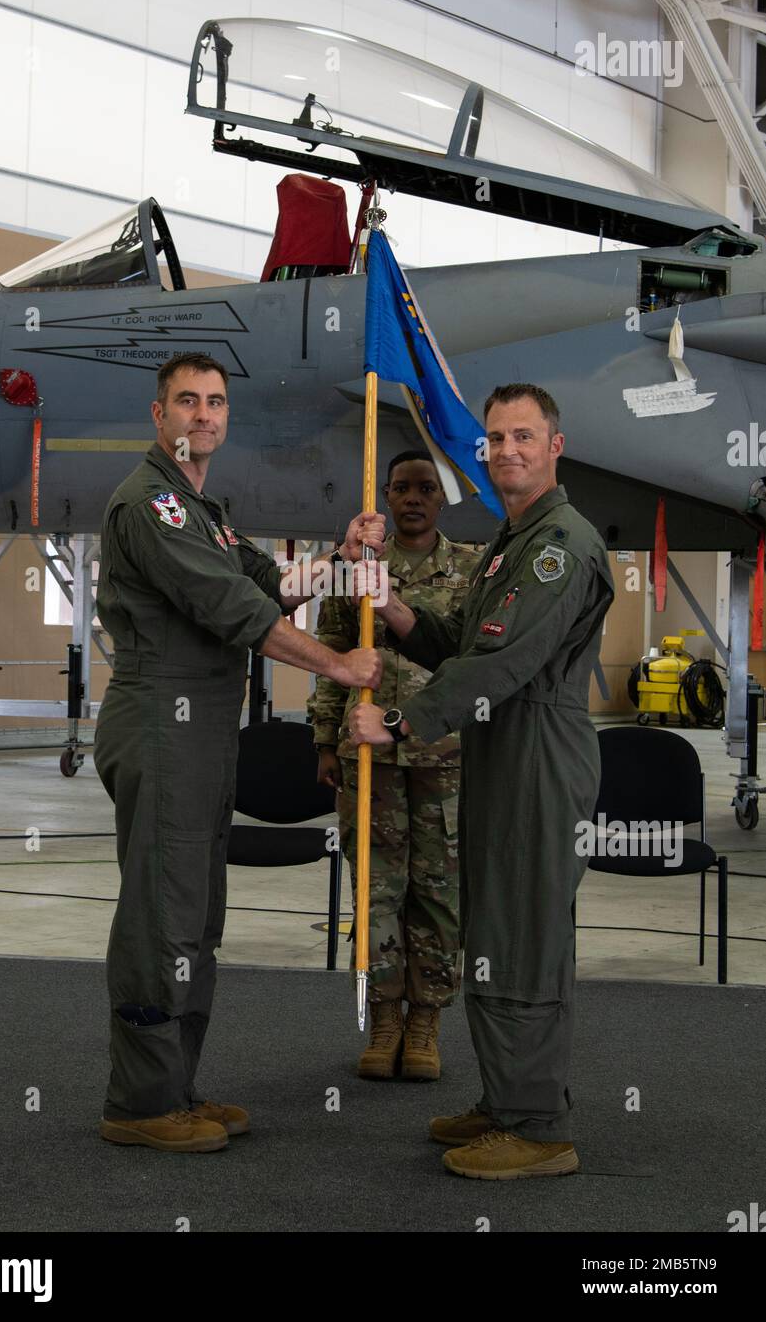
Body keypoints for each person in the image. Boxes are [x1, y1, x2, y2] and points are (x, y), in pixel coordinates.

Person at [94, 351, 383, 1153]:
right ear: (160, 416)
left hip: (202, 730)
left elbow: (269, 583)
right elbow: (235, 610)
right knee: (162, 916)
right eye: (187, 401)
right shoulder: (153, 504)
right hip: (160, 723)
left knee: (194, 918)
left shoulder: (204, 508)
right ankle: (140, 1101)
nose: (203, 415)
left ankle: (175, 1086)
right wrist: (337, 666)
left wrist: (340, 555)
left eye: (216, 402)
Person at [349, 384, 614, 1180]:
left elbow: (502, 662)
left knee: (525, 940)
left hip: (538, 756)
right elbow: (464, 644)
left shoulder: (559, 544)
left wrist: (399, 723)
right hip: (502, 751)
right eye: (495, 439)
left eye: (523, 437)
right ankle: (506, 1101)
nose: (506, 451)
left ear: (555, 446)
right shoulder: (513, 541)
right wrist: (391, 605)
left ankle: (537, 1127)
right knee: (494, 930)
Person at [308, 451, 480, 1080]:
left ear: (441, 499)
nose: (413, 498)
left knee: (437, 893)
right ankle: (382, 1019)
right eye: (401, 488)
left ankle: (426, 1022)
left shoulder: (469, 567)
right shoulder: (356, 571)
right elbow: (330, 657)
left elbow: (470, 658)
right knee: (376, 891)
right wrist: (325, 741)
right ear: (384, 495)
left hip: (444, 759)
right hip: (367, 760)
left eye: (426, 488)